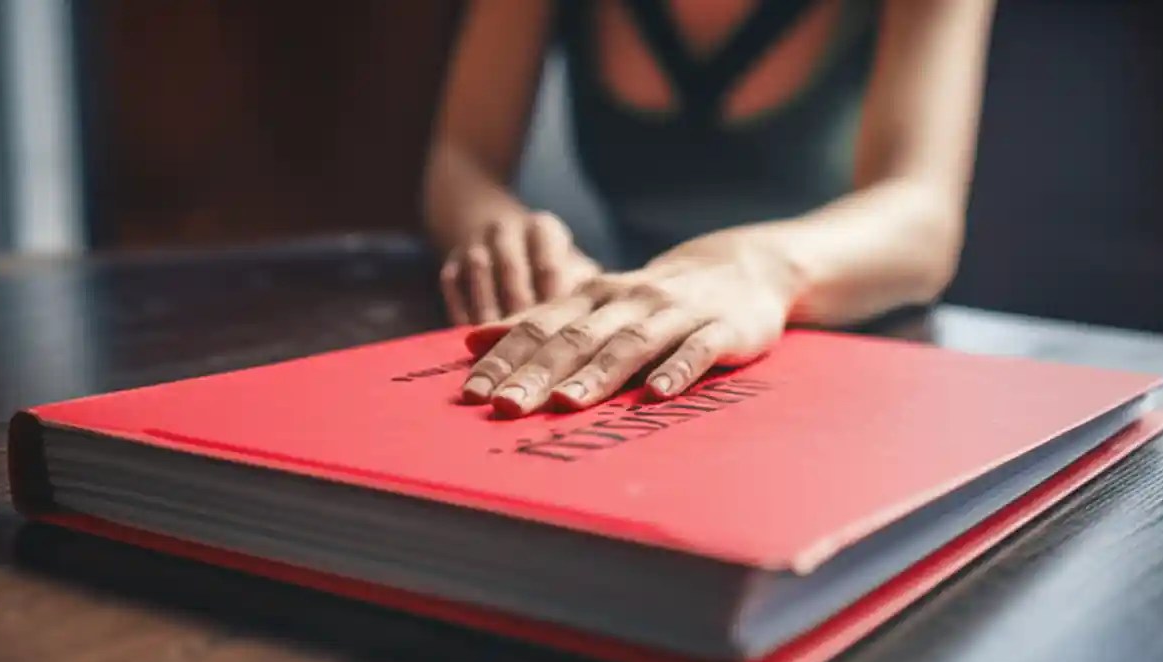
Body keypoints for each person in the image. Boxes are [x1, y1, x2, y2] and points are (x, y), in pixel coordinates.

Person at [424, 0, 996, 417]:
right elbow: (462, 159)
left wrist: (755, 266)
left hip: (847, 335)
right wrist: (505, 237)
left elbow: (924, 215)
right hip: (625, 319)